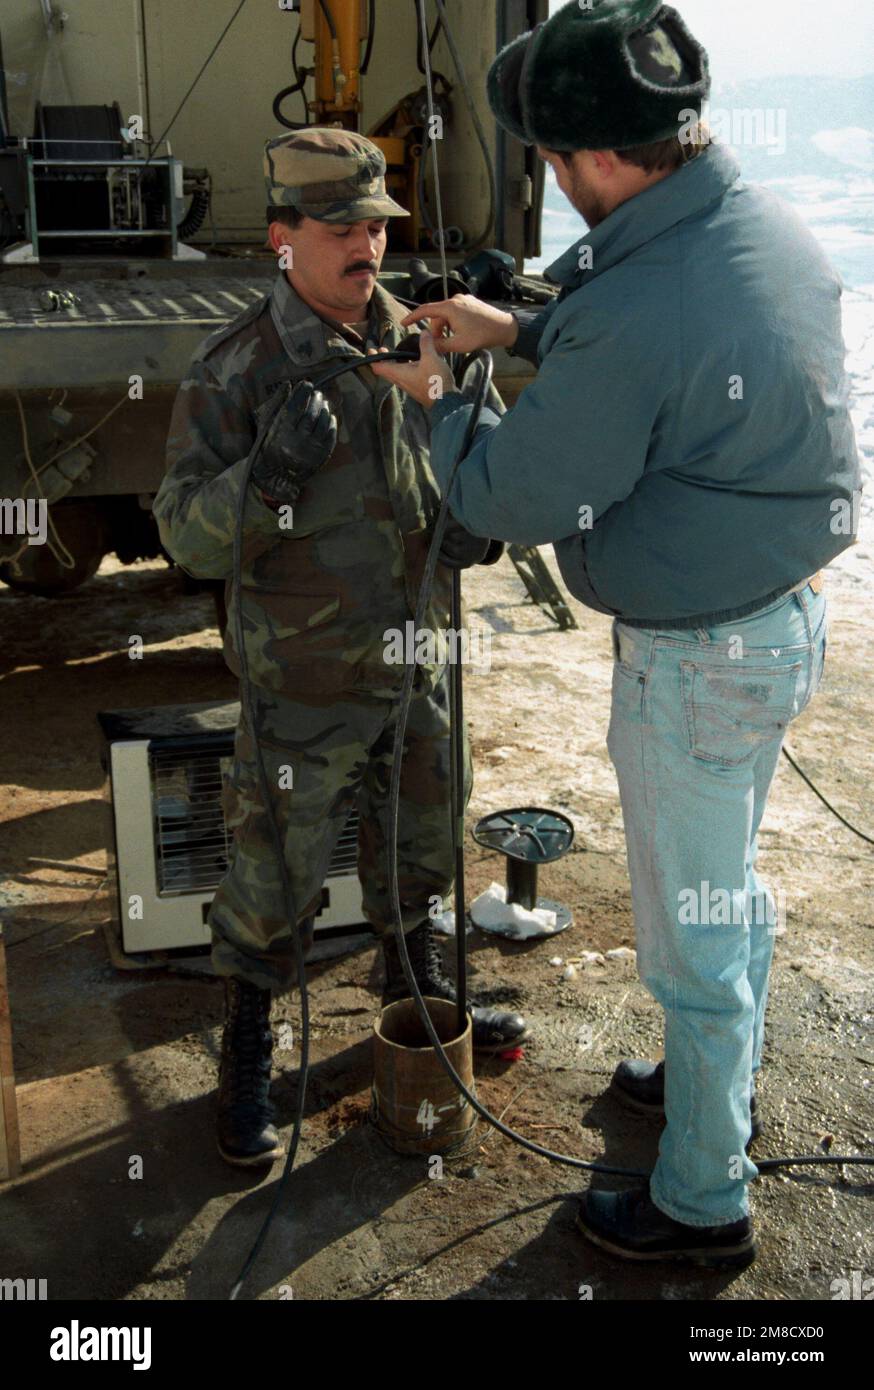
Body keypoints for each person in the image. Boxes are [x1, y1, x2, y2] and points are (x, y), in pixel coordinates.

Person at [370, 0, 860, 1266]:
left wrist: (441, 393)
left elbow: (503, 498)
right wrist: (527, 331)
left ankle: (704, 1203)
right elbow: (674, 352)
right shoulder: (762, 228)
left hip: (699, 662)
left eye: (543, 157)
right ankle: (704, 1078)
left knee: (694, 936)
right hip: (777, 627)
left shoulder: (645, 306)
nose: (546, 176)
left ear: (588, 159)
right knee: (725, 889)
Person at [153, 128, 529, 1169]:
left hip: (420, 667)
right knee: (274, 878)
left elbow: (485, 475)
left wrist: (478, 506)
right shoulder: (235, 368)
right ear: (282, 237)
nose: (367, 244)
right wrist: (266, 481)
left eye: (377, 223)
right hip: (303, 682)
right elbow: (184, 531)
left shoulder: (428, 336)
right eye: (341, 226)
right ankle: (247, 1044)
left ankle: (423, 999)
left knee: (420, 857)